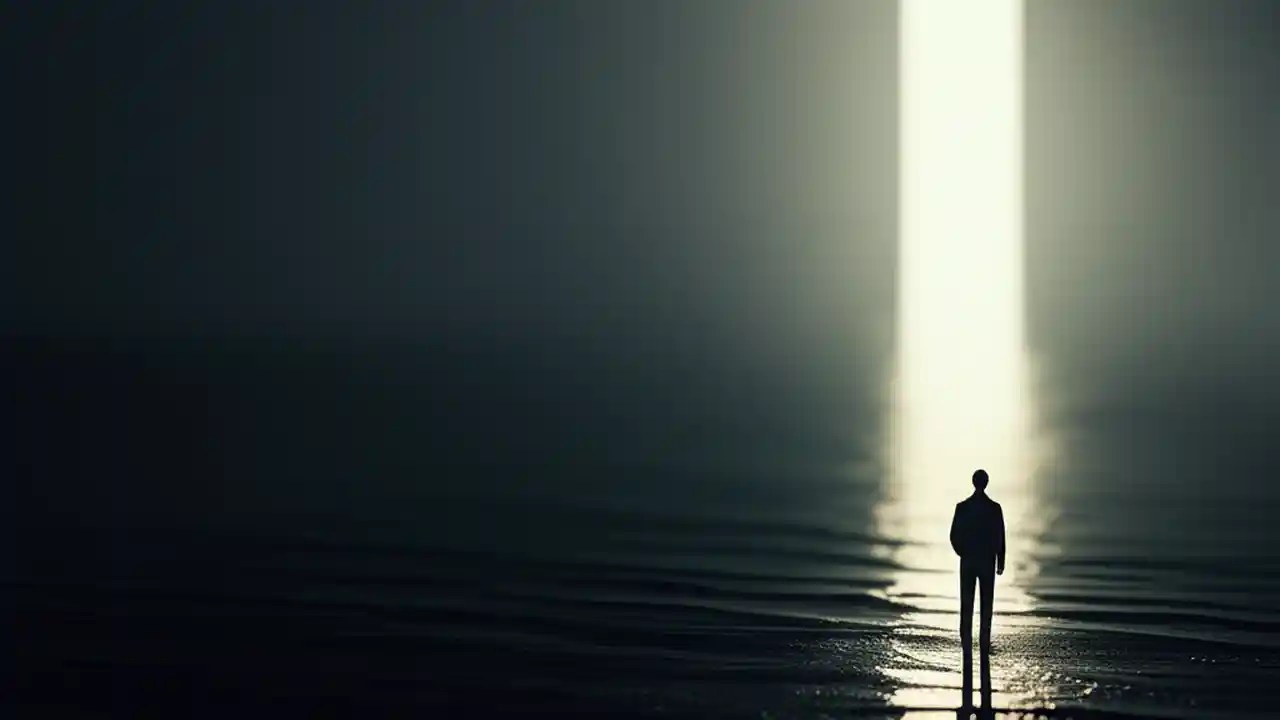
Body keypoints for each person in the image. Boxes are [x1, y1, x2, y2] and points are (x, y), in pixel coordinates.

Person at [949, 468, 1006, 704]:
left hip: (971, 560)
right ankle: (981, 639)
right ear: (985, 482)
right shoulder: (993, 508)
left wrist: (964, 551)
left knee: (968, 602)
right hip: (982, 560)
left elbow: (954, 536)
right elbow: (1000, 537)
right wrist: (1000, 560)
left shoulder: (965, 507)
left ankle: (969, 638)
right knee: (984, 603)